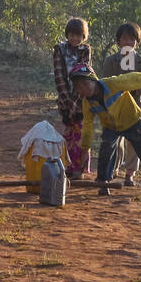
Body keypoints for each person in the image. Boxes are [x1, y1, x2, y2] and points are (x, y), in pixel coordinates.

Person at [69, 61, 141, 196]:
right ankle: (103, 182)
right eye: (79, 87)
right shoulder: (87, 102)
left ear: (94, 79)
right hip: (110, 127)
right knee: (106, 150)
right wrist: (85, 148)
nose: (83, 89)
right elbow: (87, 125)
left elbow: (132, 79)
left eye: (85, 84)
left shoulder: (112, 84)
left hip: (131, 120)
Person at [101, 22, 141, 186]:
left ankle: (129, 174)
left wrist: (132, 90)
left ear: (137, 42)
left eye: (132, 39)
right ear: (118, 41)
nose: (128, 42)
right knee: (115, 142)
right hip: (115, 108)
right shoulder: (110, 61)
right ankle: (113, 170)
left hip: (135, 108)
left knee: (134, 143)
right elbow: (105, 84)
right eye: (125, 39)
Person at [51, 18, 92, 177]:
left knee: (81, 132)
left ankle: (79, 169)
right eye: (72, 35)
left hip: (82, 98)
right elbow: (59, 75)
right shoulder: (59, 49)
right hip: (65, 99)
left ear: (83, 36)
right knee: (68, 133)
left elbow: (83, 74)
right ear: (67, 34)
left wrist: (76, 98)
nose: (75, 38)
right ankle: (67, 167)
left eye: (79, 35)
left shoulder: (85, 50)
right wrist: (67, 100)